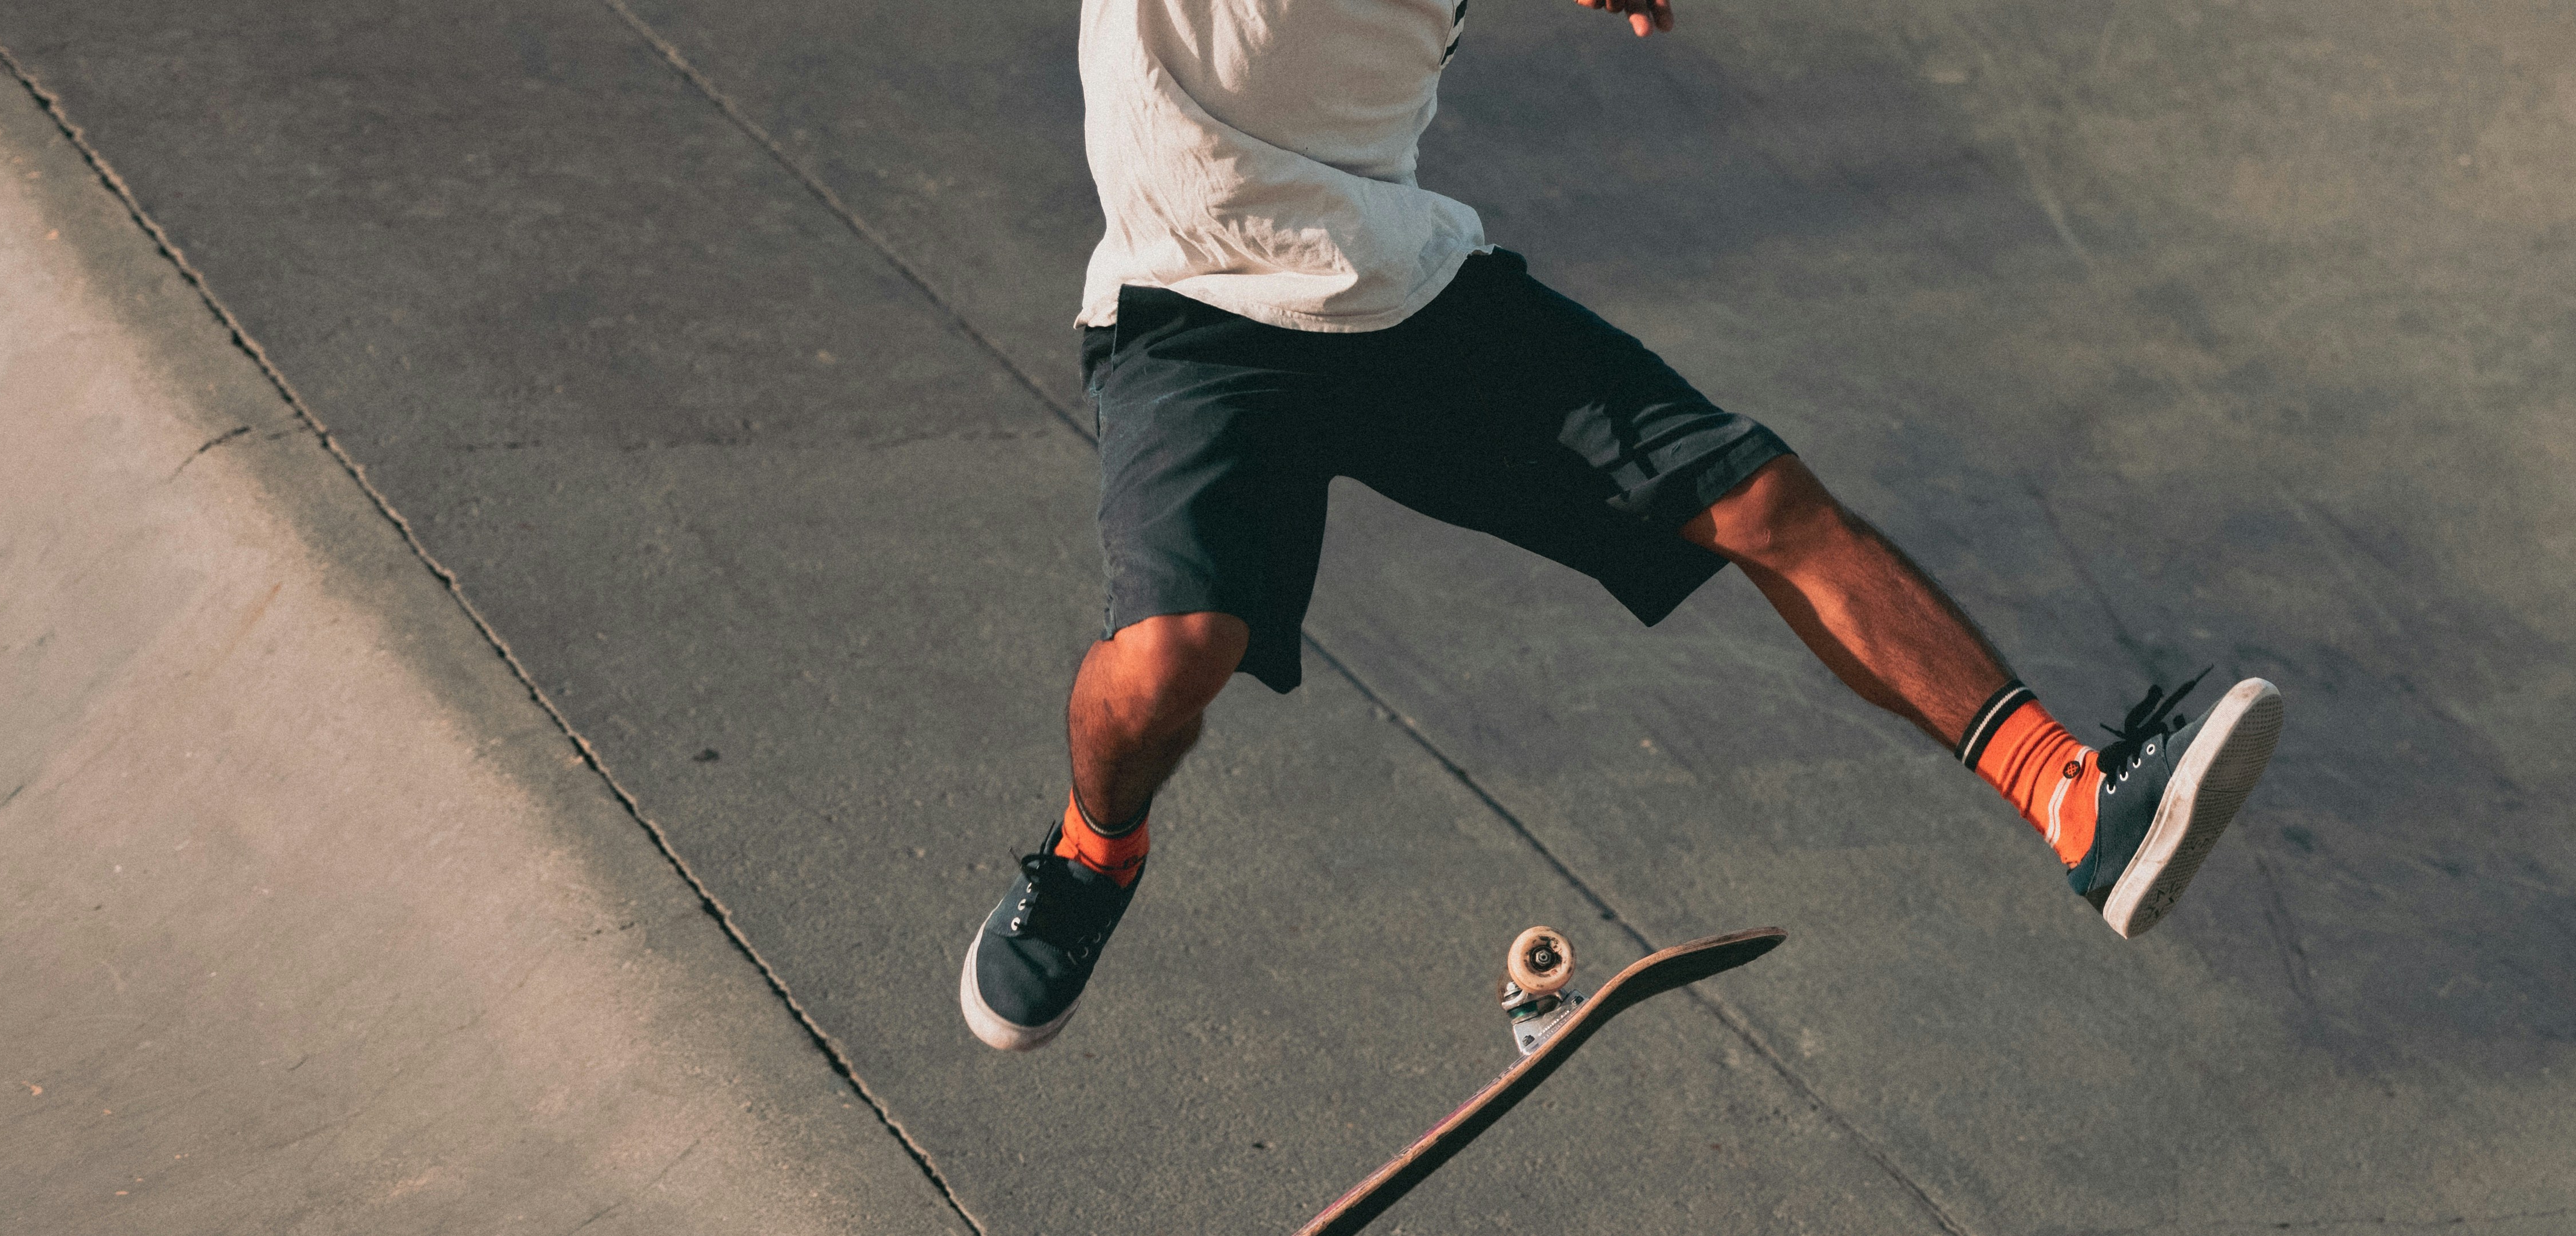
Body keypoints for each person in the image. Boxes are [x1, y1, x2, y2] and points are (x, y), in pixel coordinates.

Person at [962, 0, 2283, 1050]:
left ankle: (2069, 799)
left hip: (1400, 286)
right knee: (1172, 653)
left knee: (1764, 503)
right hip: (1189, 311)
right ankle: (1092, 857)